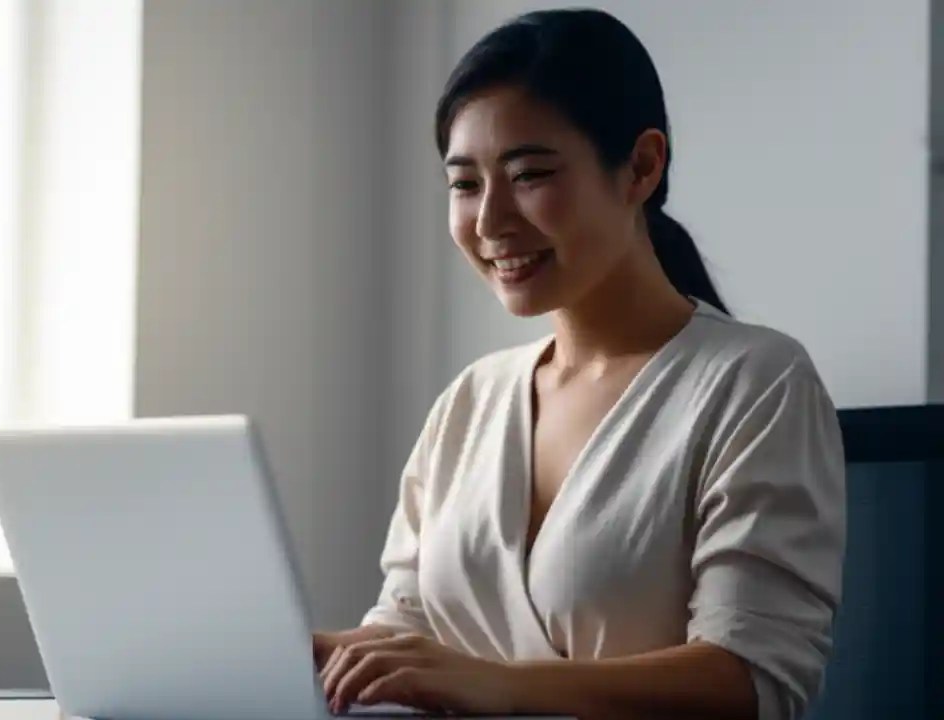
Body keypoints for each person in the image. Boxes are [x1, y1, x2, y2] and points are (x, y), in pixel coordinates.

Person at [312, 9, 845, 720]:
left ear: (643, 167)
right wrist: (300, 650)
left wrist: (494, 682)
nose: (490, 221)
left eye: (529, 174)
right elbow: (408, 635)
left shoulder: (755, 383)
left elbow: (752, 679)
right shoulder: (470, 402)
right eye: (465, 185)